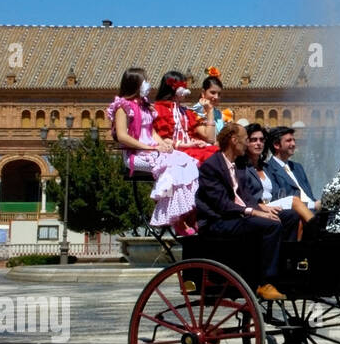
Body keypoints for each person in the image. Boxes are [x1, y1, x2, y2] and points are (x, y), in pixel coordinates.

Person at [196, 123, 296, 302]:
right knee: (271, 226)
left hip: (239, 217)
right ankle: (266, 282)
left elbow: (247, 197)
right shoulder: (211, 167)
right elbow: (222, 205)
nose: (247, 145)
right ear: (234, 141)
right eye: (245, 141)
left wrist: (260, 210)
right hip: (219, 221)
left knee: (290, 216)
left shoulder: (239, 167)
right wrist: (254, 213)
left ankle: (283, 269)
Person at [107, 67, 200, 236]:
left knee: (188, 162)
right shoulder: (122, 107)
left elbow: (151, 132)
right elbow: (122, 136)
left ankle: (186, 212)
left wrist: (163, 143)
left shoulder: (144, 106)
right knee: (172, 169)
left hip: (153, 151)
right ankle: (172, 216)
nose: (148, 84)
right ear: (134, 84)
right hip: (135, 155)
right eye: (144, 81)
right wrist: (150, 147)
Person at [152, 70, 219, 164]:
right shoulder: (158, 110)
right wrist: (186, 145)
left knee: (218, 153)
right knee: (212, 158)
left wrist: (210, 111)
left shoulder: (186, 112)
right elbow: (161, 139)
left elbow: (210, 138)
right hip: (175, 151)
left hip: (190, 148)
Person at [263, 126, 317, 221]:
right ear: (276, 145)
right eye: (289, 141)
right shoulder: (268, 169)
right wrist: (312, 205)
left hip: (314, 209)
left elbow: (309, 195)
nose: (293, 144)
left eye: (294, 140)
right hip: (297, 213)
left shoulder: (297, 167)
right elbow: (280, 198)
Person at [190, 68, 232, 144]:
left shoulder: (220, 114)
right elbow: (210, 139)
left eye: (219, 94)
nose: (216, 97)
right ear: (203, 92)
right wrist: (210, 111)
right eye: (213, 93)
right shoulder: (196, 113)